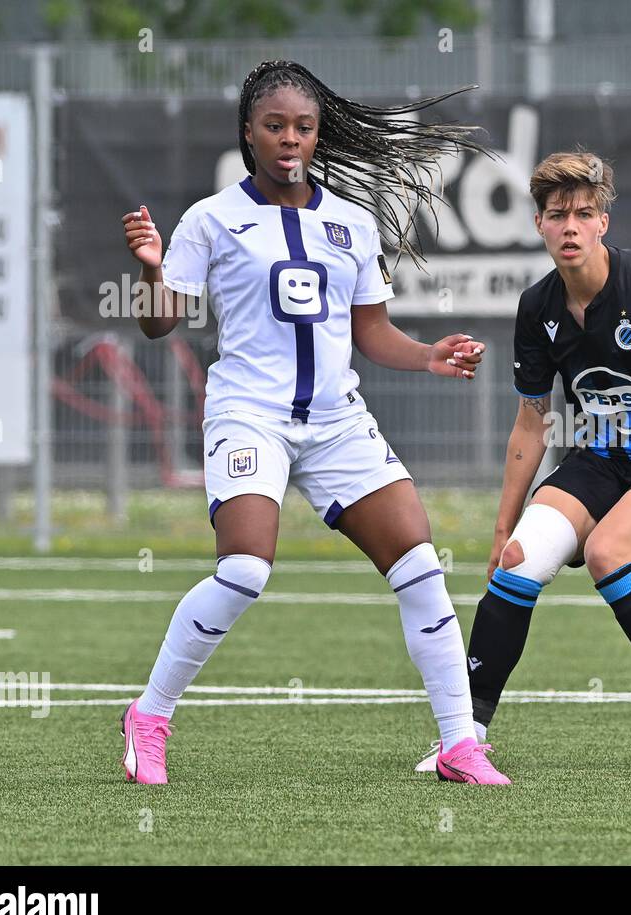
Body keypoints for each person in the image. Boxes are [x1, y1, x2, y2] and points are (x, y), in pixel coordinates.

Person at [118, 60, 509, 785]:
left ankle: (460, 745)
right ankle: (150, 715)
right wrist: (149, 269)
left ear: (318, 133)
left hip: (334, 421)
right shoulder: (211, 218)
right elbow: (157, 323)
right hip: (250, 416)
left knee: (420, 565)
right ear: (250, 133)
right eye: (275, 127)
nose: (290, 139)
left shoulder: (350, 223)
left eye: (302, 126)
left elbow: (373, 332)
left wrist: (430, 357)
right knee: (243, 569)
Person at [418, 150, 631, 774]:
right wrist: (501, 531)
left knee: (609, 553)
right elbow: (530, 425)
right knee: (516, 565)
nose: (569, 226)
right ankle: (465, 738)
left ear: (603, 223)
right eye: (555, 215)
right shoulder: (538, 307)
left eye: (583, 213)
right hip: (599, 459)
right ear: (539, 225)